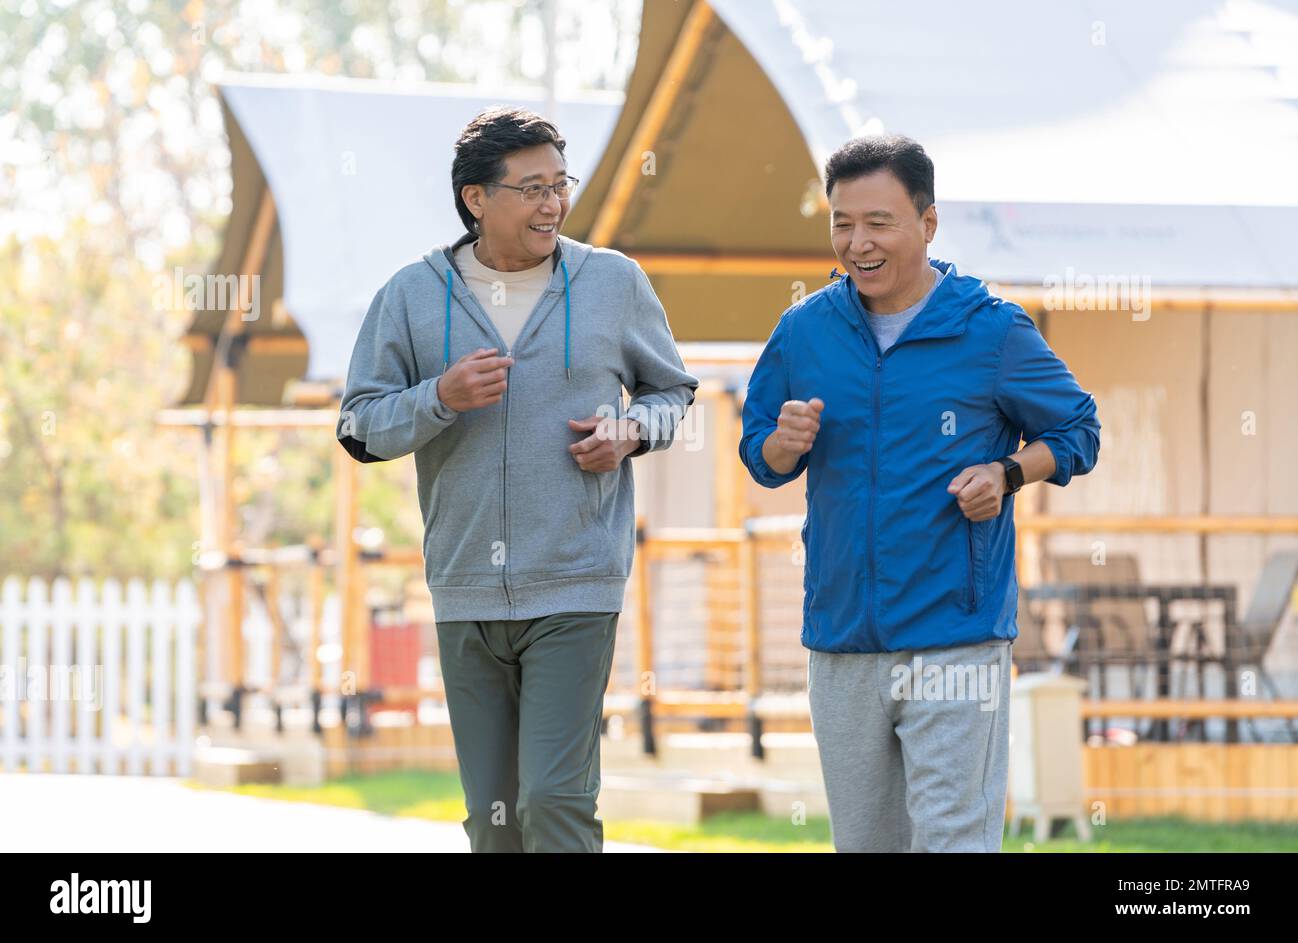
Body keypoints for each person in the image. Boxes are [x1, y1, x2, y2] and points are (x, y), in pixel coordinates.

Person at [337, 107, 698, 852]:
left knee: (555, 803)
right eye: (531, 188)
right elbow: (359, 426)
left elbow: (675, 396)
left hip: (575, 583)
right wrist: (440, 396)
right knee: (494, 821)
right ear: (477, 198)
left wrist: (631, 432)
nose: (552, 204)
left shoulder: (613, 283)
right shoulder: (411, 294)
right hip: (465, 587)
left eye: (559, 185)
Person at [739, 134, 1100, 852]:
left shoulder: (990, 330)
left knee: (953, 840)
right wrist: (783, 441)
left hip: (955, 635)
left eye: (879, 222)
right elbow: (761, 453)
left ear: (927, 224)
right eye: (843, 222)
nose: (857, 242)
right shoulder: (803, 331)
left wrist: (1007, 473)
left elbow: (1078, 428)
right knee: (867, 844)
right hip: (841, 637)